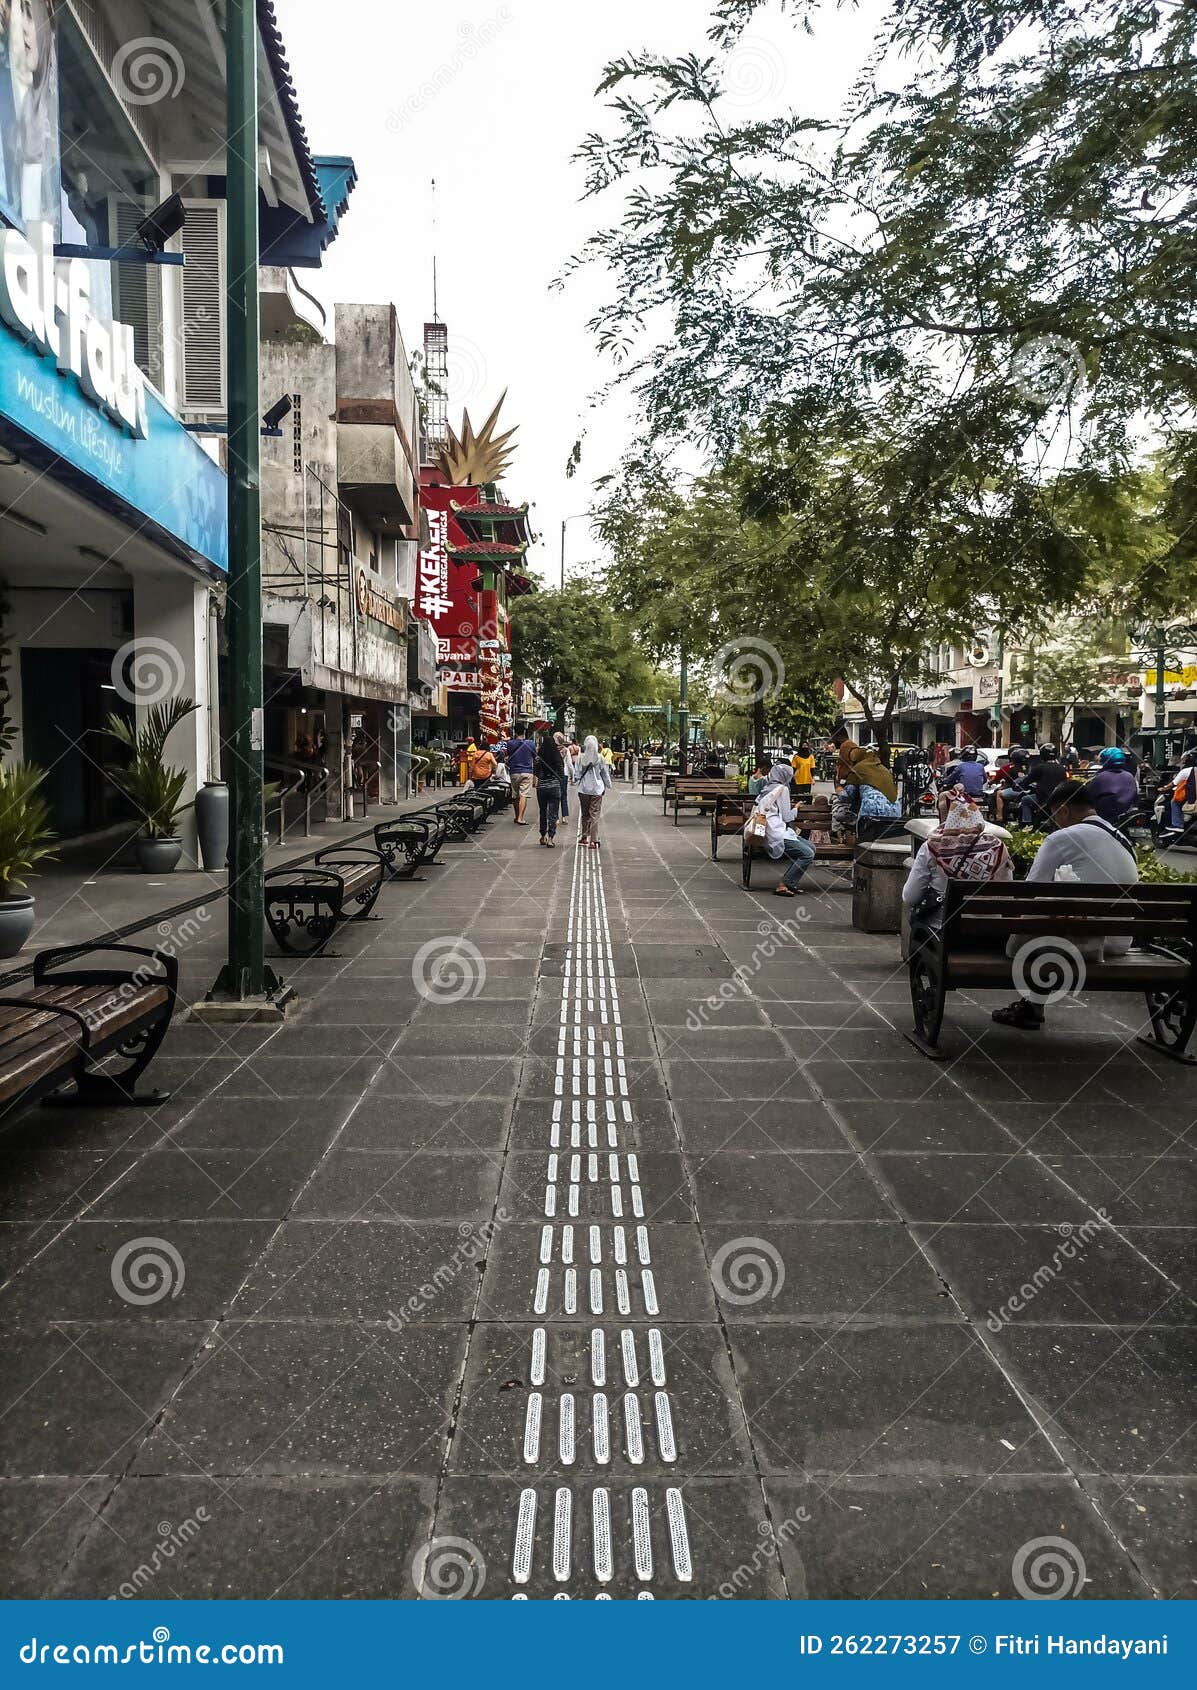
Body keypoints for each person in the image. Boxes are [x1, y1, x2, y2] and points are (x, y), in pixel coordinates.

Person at [993, 780, 1139, 1031]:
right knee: (1055, 920)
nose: (1054, 821)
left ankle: (1032, 1006)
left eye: (1053, 814)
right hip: (1119, 940)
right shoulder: (1122, 838)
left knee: (1024, 926)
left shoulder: (1060, 838)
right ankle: (1032, 1006)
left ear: (1063, 810)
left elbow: (1030, 891)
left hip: (1076, 943)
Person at [903, 790, 1014, 916]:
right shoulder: (998, 847)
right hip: (991, 932)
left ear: (945, 816)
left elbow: (910, 897)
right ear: (976, 815)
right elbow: (1007, 894)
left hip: (942, 930)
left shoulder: (932, 847)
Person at [748, 762, 816, 897]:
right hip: (776, 832)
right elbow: (786, 817)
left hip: (767, 831)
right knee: (807, 853)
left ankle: (791, 882)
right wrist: (796, 808)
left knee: (811, 847)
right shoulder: (782, 789)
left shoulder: (767, 787)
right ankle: (784, 884)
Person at [573, 734, 613, 848]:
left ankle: (584, 837)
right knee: (594, 814)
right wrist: (608, 785)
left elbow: (577, 774)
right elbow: (605, 774)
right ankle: (593, 840)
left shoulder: (581, 758)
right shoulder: (600, 758)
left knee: (585, 814)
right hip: (597, 790)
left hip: (583, 790)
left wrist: (575, 780)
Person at [841, 743, 901, 819]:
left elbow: (847, 795)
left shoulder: (858, 768)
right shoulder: (885, 770)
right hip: (895, 812)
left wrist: (838, 790)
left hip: (871, 813)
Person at [1084, 746, 1137, 826]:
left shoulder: (1100, 778)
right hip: (1127, 815)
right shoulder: (1129, 776)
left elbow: (1089, 796)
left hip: (1106, 818)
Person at [1019, 742, 1066, 826]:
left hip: (1043, 798)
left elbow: (1028, 780)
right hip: (1059, 798)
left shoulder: (1040, 767)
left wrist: (1023, 784)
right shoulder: (1061, 768)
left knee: (1025, 800)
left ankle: (1027, 824)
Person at [535, 730, 565, 847]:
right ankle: (551, 838)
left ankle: (542, 836)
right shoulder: (557, 757)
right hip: (554, 787)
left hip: (541, 788)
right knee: (553, 813)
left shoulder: (539, 757)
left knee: (543, 812)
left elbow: (536, 771)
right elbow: (561, 773)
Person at [504, 727, 536, 824]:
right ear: (524, 732)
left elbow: (507, 755)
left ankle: (517, 816)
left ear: (514, 732)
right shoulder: (531, 743)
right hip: (527, 771)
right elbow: (535, 756)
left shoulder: (510, 743)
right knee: (523, 795)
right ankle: (521, 818)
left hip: (514, 772)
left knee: (515, 795)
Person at [1166, 751, 1197, 833]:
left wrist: (1163, 788)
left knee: (1174, 802)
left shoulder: (1187, 770)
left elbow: (1173, 783)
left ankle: (1177, 824)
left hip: (1193, 800)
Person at [554, 731, 574, 825]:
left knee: (555, 796)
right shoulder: (566, 750)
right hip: (564, 775)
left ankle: (556, 817)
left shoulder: (552, 750)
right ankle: (564, 817)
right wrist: (573, 776)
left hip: (554, 774)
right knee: (564, 795)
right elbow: (569, 764)